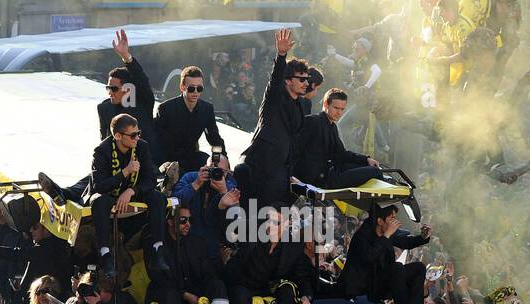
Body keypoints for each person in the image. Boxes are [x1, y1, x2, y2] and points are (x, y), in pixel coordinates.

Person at [144, 204, 233, 304]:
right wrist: (185, 294)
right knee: (169, 293)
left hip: (193, 289)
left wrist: (221, 263)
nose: (188, 225)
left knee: (217, 285)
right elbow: (158, 277)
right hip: (166, 291)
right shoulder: (155, 243)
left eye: (190, 220)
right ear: (170, 221)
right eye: (183, 220)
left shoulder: (197, 242)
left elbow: (206, 272)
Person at [223, 209, 312, 304]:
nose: (270, 226)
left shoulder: (293, 246)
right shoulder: (251, 241)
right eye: (268, 221)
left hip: (270, 287)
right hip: (246, 284)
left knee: (288, 289)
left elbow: (303, 275)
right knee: (240, 293)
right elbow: (233, 270)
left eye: (276, 223)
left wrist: (306, 296)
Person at [89, 112, 169, 279]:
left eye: (138, 133)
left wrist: (131, 191)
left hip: (131, 192)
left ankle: (157, 250)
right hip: (108, 194)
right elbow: (99, 185)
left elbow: (151, 179)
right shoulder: (101, 151)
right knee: (99, 202)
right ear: (118, 135)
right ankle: (106, 255)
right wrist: (125, 172)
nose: (137, 138)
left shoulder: (142, 146)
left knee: (158, 197)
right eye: (133, 135)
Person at [236, 29, 306, 208]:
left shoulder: (300, 105)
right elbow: (275, 80)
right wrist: (281, 56)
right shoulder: (274, 98)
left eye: (307, 79)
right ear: (288, 80)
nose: (306, 82)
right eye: (301, 79)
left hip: (282, 171)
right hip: (264, 169)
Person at [337, 204, 430, 304]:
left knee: (418, 268)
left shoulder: (387, 233)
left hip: (382, 280)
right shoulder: (362, 237)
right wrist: (386, 236)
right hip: (365, 287)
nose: (395, 222)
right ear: (380, 221)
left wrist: (423, 237)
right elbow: (370, 258)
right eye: (391, 218)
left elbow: (406, 243)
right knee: (397, 268)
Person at [292, 88, 383, 190]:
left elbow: (341, 153)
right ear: (326, 104)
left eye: (342, 109)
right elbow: (293, 149)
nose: (339, 113)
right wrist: (292, 177)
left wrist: (366, 159)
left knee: (371, 167)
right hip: (320, 179)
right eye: (336, 108)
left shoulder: (332, 127)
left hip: (331, 171)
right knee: (376, 172)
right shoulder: (313, 122)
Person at [154, 65, 226, 177]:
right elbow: (157, 142)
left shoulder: (207, 109)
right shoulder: (166, 109)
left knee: (212, 167)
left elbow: (214, 139)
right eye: (191, 88)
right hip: (169, 159)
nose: (196, 92)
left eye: (199, 88)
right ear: (182, 87)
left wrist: (219, 161)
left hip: (192, 156)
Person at [95, 30, 157, 160]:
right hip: (116, 163)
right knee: (92, 177)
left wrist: (126, 57)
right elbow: (104, 142)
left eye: (114, 88)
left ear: (128, 90)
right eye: (108, 88)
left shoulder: (143, 104)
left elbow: (142, 80)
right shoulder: (104, 108)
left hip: (145, 162)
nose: (110, 92)